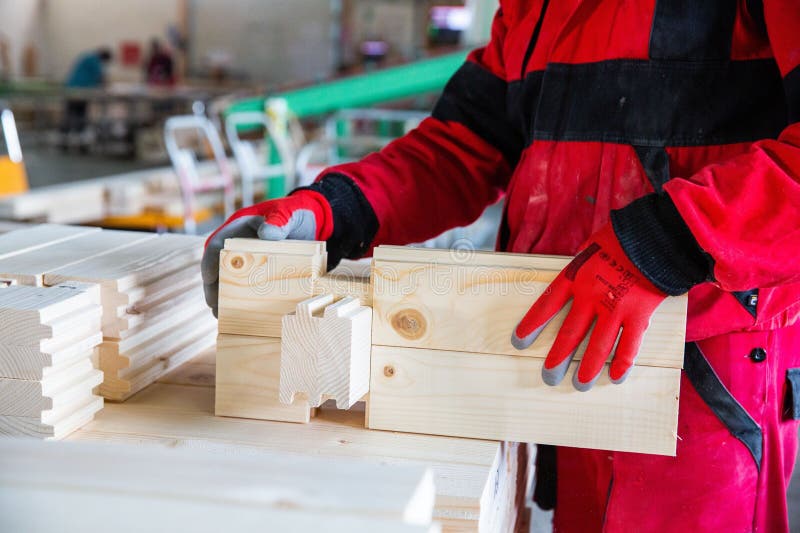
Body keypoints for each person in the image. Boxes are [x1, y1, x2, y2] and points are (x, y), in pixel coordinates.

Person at [202, 2, 800, 531]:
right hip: (564, 346)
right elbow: (462, 145)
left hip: (704, 375)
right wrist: (339, 208)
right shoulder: (535, 7)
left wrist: (669, 242)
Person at [62, 47, 112, 146]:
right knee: (80, 114)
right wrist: (106, 87)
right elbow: (101, 77)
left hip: (71, 88)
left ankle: (65, 139)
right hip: (81, 90)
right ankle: (79, 139)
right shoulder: (95, 61)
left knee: (70, 113)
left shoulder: (87, 57)